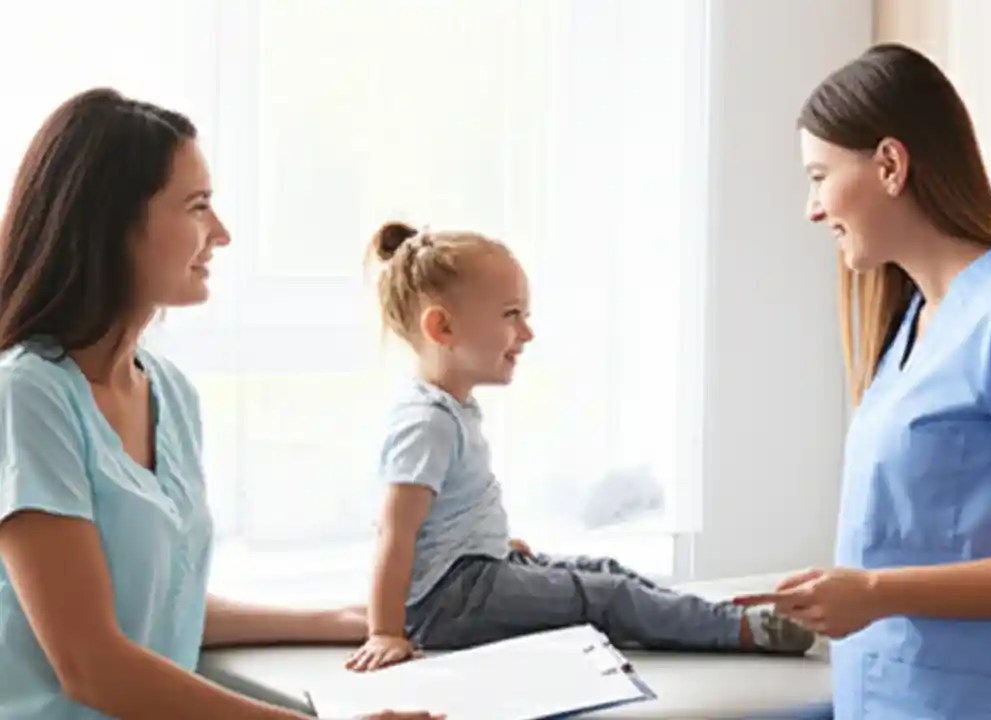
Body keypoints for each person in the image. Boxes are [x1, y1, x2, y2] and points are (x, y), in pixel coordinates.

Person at [0, 89, 440, 719]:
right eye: (198, 206)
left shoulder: (169, 393)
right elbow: (93, 665)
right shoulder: (26, 396)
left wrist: (348, 618)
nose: (221, 234)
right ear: (110, 221)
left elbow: (157, 609)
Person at [734, 44, 991, 719]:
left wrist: (878, 592)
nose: (812, 207)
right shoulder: (916, 319)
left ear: (890, 164)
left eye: (820, 175)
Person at [343, 222, 815, 672]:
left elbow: (444, 513)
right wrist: (385, 631)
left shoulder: (448, 409)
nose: (526, 333)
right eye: (512, 316)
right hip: (451, 604)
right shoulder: (427, 422)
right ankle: (735, 630)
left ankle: (706, 616)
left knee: (604, 569)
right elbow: (394, 532)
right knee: (608, 597)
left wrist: (489, 545)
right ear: (443, 329)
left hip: (471, 575)